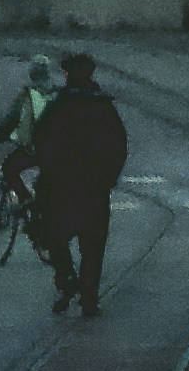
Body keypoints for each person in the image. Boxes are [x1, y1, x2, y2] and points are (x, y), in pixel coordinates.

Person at [27, 53, 129, 320]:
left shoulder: (60, 105)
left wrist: (48, 172)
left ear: (67, 74)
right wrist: (109, 177)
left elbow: (40, 138)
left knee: (55, 237)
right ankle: (89, 297)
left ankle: (67, 277)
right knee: (93, 245)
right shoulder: (102, 106)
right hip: (94, 188)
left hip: (62, 187)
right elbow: (119, 144)